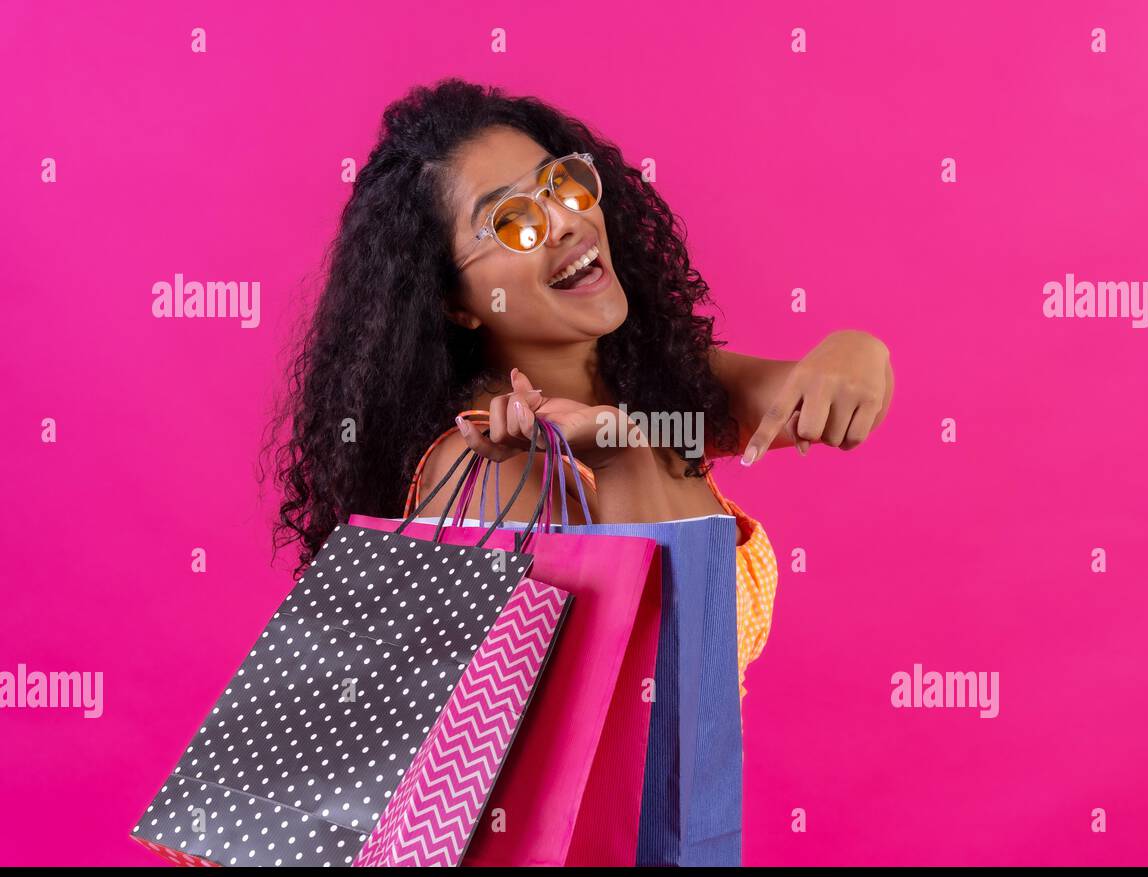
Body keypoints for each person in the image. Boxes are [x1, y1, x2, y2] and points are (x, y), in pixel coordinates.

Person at [264, 78, 894, 702]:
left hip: (694, 802)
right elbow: (667, 690)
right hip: (624, 804)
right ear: (455, 303)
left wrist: (858, 349)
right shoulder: (489, 464)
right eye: (511, 221)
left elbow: (815, 401)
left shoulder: (655, 384)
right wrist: (620, 459)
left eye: (558, 184)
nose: (565, 221)